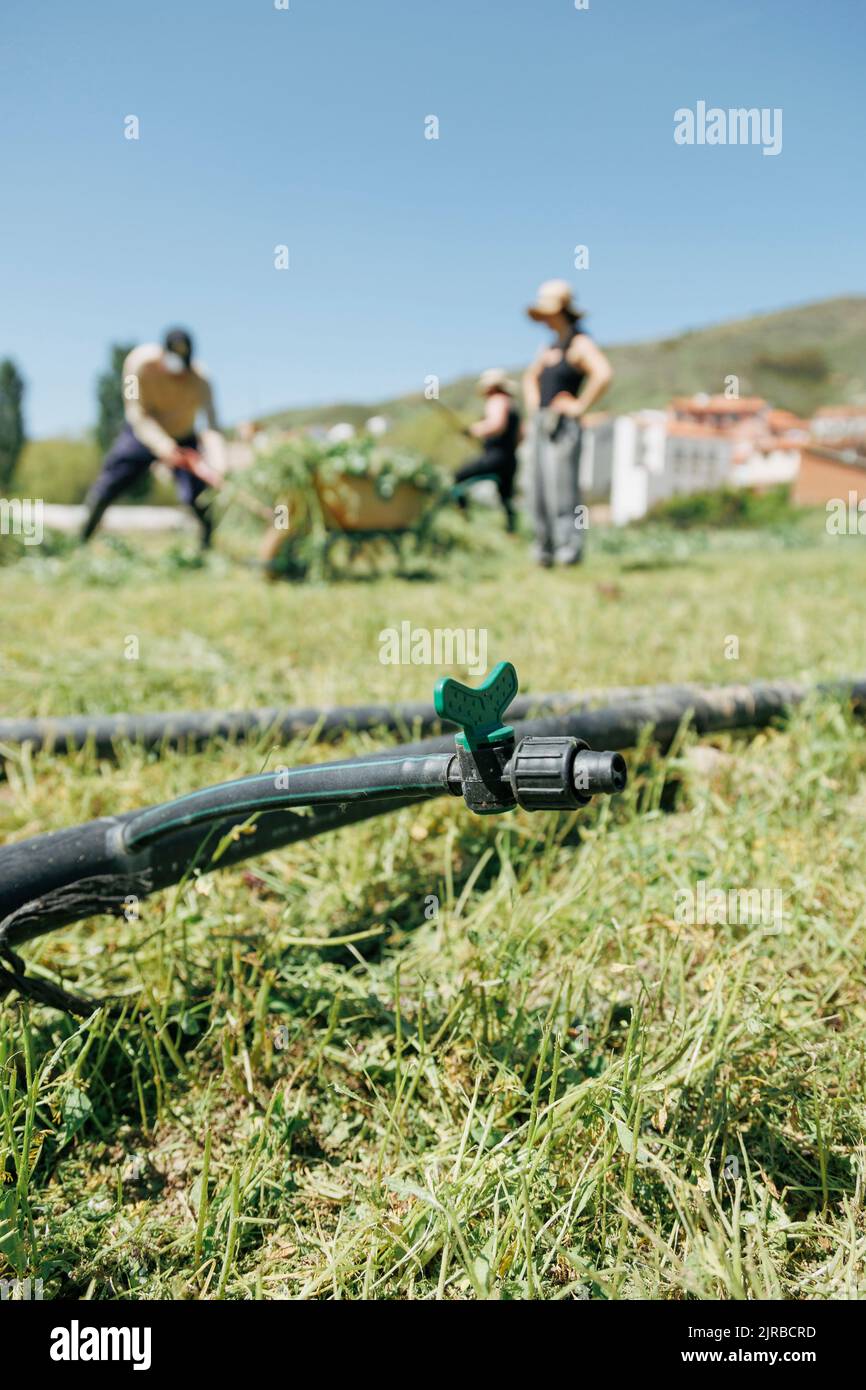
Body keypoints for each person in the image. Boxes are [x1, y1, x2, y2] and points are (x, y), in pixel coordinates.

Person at [80, 328, 222, 549]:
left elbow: (212, 425)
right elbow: (135, 412)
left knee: (199, 496)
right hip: (142, 432)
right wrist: (162, 445)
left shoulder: (202, 379)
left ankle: (207, 547)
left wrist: (217, 466)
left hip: (183, 436)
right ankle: (83, 537)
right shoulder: (137, 363)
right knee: (109, 482)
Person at [522, 280, 613, 566]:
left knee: (561, 490)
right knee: (536, 488)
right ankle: (544, 551)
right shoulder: (548, 348)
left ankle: (568, 552)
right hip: (541, 423)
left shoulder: (580, 344)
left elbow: (603, 374)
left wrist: (579, 406)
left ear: (561, 311)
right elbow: (529, 378)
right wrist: (535, 408)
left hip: (563, 426)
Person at [453, 369, 522, 532]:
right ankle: (511, 532)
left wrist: (473, 430)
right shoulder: (513, 405)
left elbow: (496, 425)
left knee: (458, 477)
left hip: (495, 456)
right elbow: (520, 436)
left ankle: (464, 520)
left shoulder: (497, 400)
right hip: (510, 458)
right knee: (506, 497)